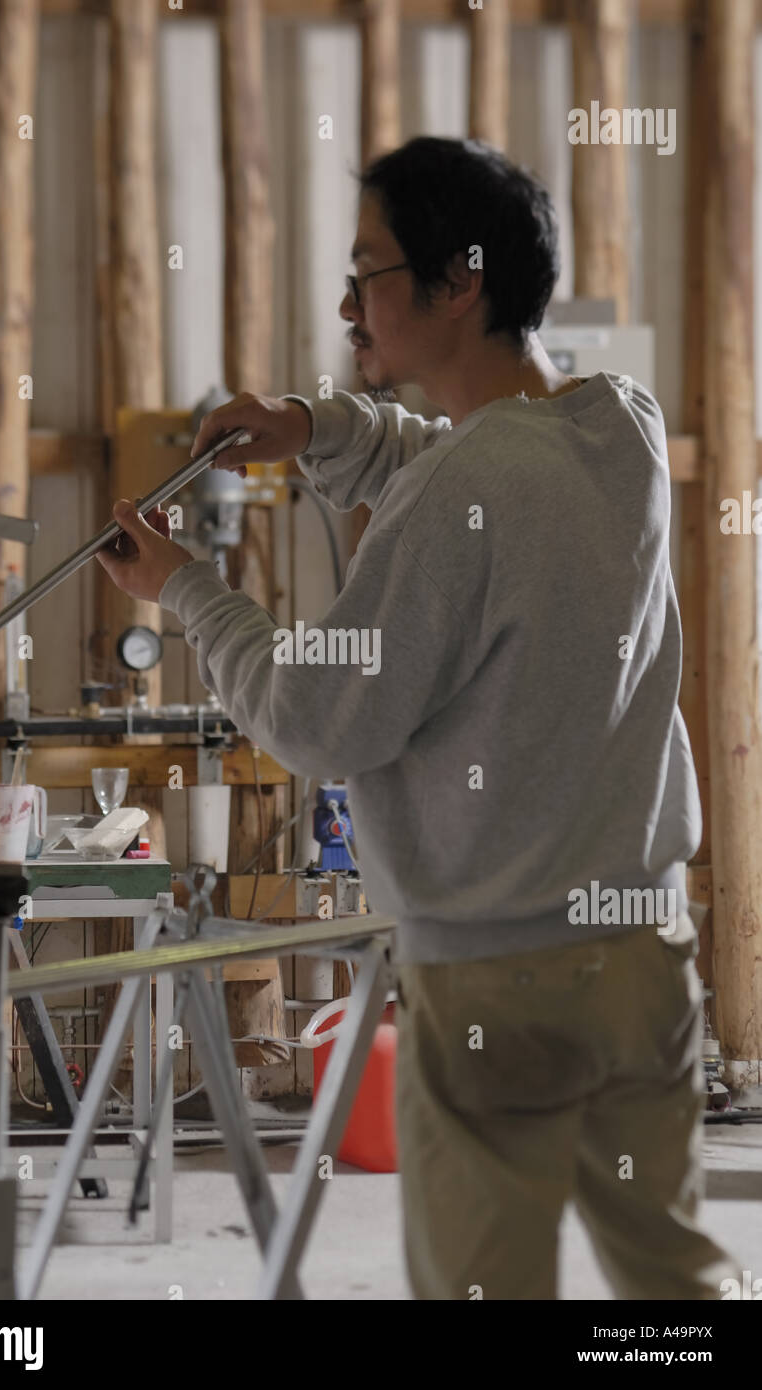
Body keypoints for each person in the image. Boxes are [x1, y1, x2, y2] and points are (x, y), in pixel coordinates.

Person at [97, 135, 739, 1300]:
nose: (349, 306)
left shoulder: (453, 500)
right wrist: (315, 424)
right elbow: (474, 454)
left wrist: (184, 587)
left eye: (370, 273)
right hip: (645, 955)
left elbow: (315, 717)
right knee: (673, 1287)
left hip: (500, 983)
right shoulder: (620, 429)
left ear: (461, 280)